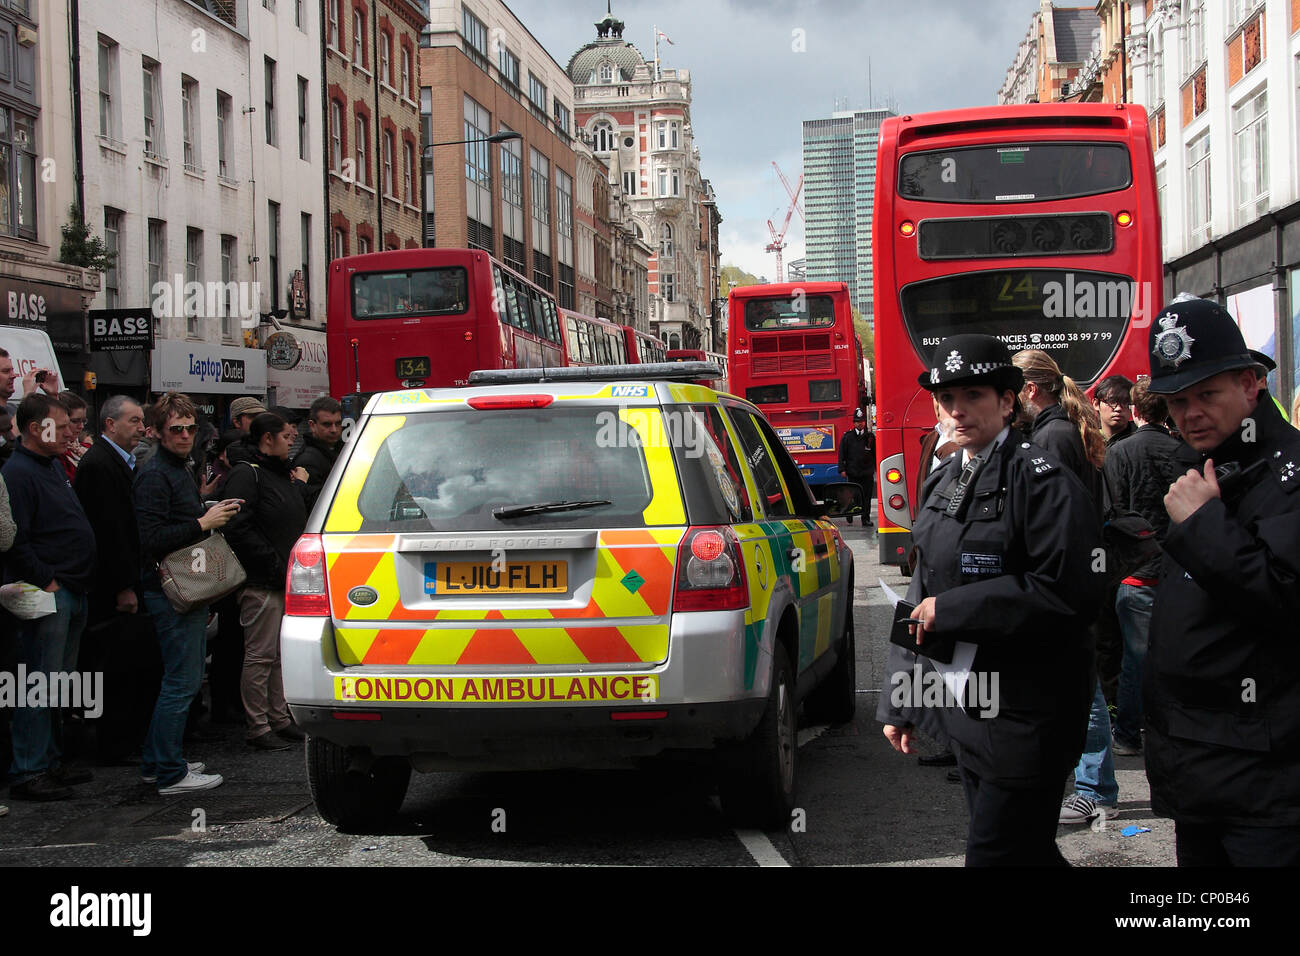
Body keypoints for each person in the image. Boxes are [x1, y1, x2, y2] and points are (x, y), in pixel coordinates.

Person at [878, 334, 1102, 865]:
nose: (957, 410)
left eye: (973, 396)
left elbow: (1068, 593)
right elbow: (920, 589)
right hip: (968, 709)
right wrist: (902, 700)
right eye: (946, 399)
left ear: (1009, 401)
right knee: (1024, 852)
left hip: (1030, 714)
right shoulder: (949, 478)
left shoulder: (1043, 482)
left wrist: (954, 611)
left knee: (995, 854)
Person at [1142, 297, 1300, 866]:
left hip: (1266, 783)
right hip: (1202, 772)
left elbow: (1285, 597)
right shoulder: (1210, 469)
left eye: (1207, 394)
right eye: (1178, 401)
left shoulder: (1287, 473)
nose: (1191, 413)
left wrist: (1204, 525)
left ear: (1252, 384)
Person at [1013, 348, 1117, 826]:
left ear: (1031, 390)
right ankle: (1088, 782)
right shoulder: (1057, 429)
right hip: (1074, 576)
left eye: (1014, 390)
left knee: (1084, 688)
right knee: (1077, 683)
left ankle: (1095, 788)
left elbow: (1052, 518)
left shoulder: (1052, 436)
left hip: (1066, 580)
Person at [134, 391, 237, 795]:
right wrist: (202, 521)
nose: (184, 435)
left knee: (182, 679)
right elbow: (151, 538)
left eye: (190, 428)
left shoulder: (177, 466)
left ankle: (157, 762)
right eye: (175, 429)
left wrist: (209, 507)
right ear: (158, 432)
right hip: (171, 590)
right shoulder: (156, 472)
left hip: (186, 585)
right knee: (181, 681)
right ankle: (170, 773)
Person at [3, 393, 96, 801]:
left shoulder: (50, 466)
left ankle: (50, 761)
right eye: (57, 426)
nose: (66, 434)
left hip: (71, 588)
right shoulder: (18, 472)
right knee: (36, 682)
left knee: (57, 684)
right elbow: (14, 539)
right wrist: (48, 581)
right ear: (32, 428)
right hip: (48, 593)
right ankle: (30, 769)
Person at [73, 396, 159, 766]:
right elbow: (109, 532)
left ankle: (129, 738)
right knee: (118, 667)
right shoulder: (99, 466)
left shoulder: (120, 461)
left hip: (130, 581)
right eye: (134, 421)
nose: (142, 428)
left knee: (135, 665)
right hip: (115, 589)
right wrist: (123, 585)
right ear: (110, 424)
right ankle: (115, 742)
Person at [222, 414, 309, 751]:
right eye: (286, 437)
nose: (291, 442)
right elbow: (237, 526)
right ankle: (257, 725)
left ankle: (279, 717)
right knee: (260, 656)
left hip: (282, 579)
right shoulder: (248, 474)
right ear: (267, 439)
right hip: (262, 580)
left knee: (277, 655)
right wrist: (273, 564)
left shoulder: (278, 474)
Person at [1102, 377, 1179, 757]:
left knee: (1133, 660)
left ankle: (1129, 733)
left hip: (1133, 569)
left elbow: (1113, 510)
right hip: (1176, 568)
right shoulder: (1180, 451)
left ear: (1134, 410)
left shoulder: (1119, 452)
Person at [293, 396, 344, 511]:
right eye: (327, 424)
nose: (334, 429)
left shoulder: (340, 450)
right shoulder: (307, 460)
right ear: (312, 425)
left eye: (338, 423)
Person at [837, 408, 874, 526]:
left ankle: (865, 518)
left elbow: (875, 453)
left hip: (866, 472)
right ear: (854, 423)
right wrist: (842, 469)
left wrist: (876, 468)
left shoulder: (870, 437)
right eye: (857, 421)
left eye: (862, 421)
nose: (860, 423)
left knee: (866, 497)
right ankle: (849, 514)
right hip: (853, 472)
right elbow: (842, 453)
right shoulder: (847, 437)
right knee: (852, 496)